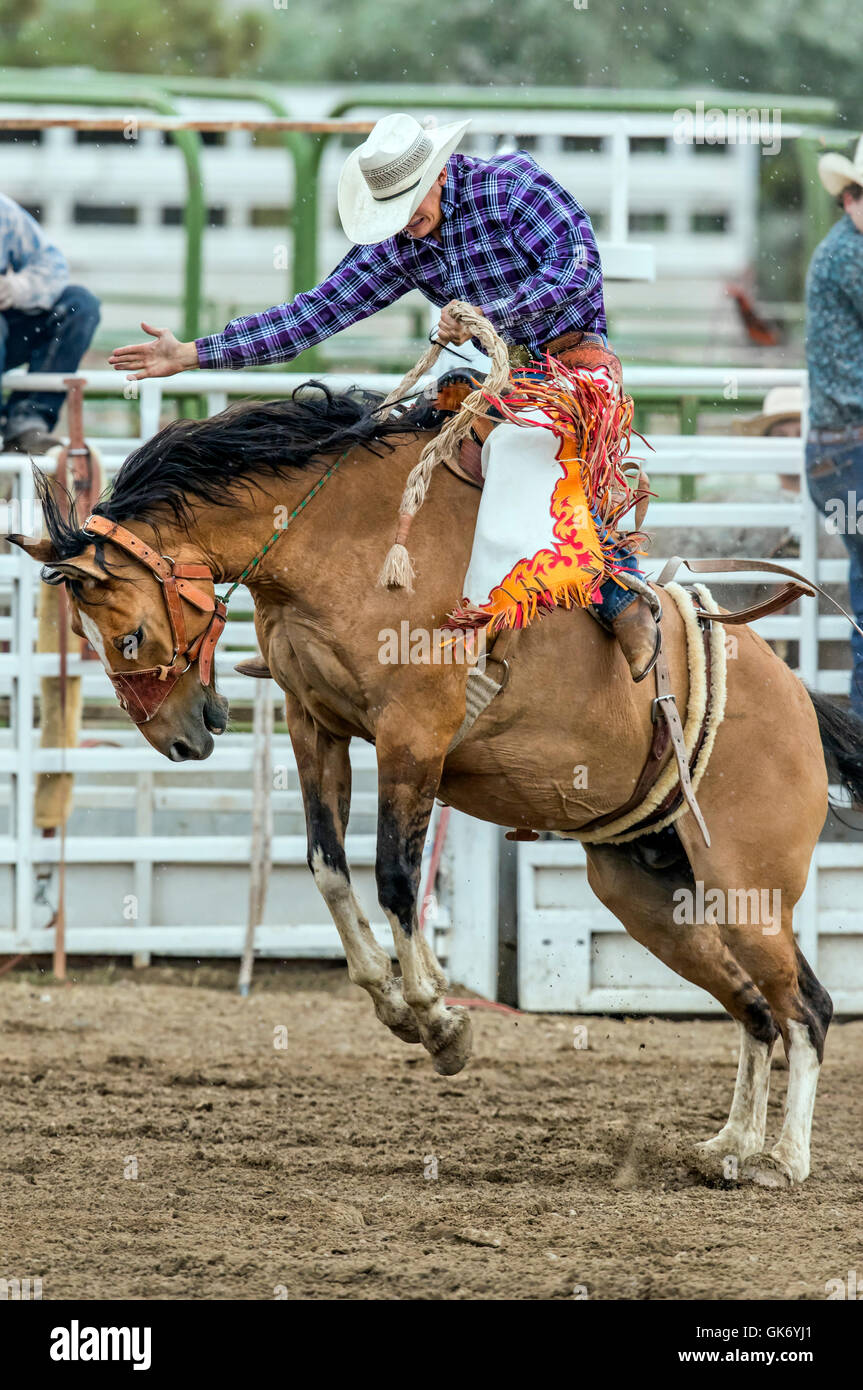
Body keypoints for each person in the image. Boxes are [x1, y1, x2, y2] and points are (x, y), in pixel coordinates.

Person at [110, 113, 657, 679]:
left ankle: (623, 593)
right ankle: (345, 632)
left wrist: (486, 316)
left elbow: (578, 270)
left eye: (411, 205)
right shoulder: (403, 241)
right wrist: (193, 353)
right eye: (393, 211)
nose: (406, 223)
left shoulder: (514, 190)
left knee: (530, 453)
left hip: (572, 365)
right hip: (496, 377)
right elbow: (313, 314)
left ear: (439, 174)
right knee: (387, 449)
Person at [805, 135, 863, 718]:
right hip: (850, 453)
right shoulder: (852, 256)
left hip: (841, 455)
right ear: (851, 198)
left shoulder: (843, 251)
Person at [0, 193, 100, 453]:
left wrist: (13, 288)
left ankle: (28, 420)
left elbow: (52, 267)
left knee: (79, 305)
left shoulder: (4, 213)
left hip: (6, 332)